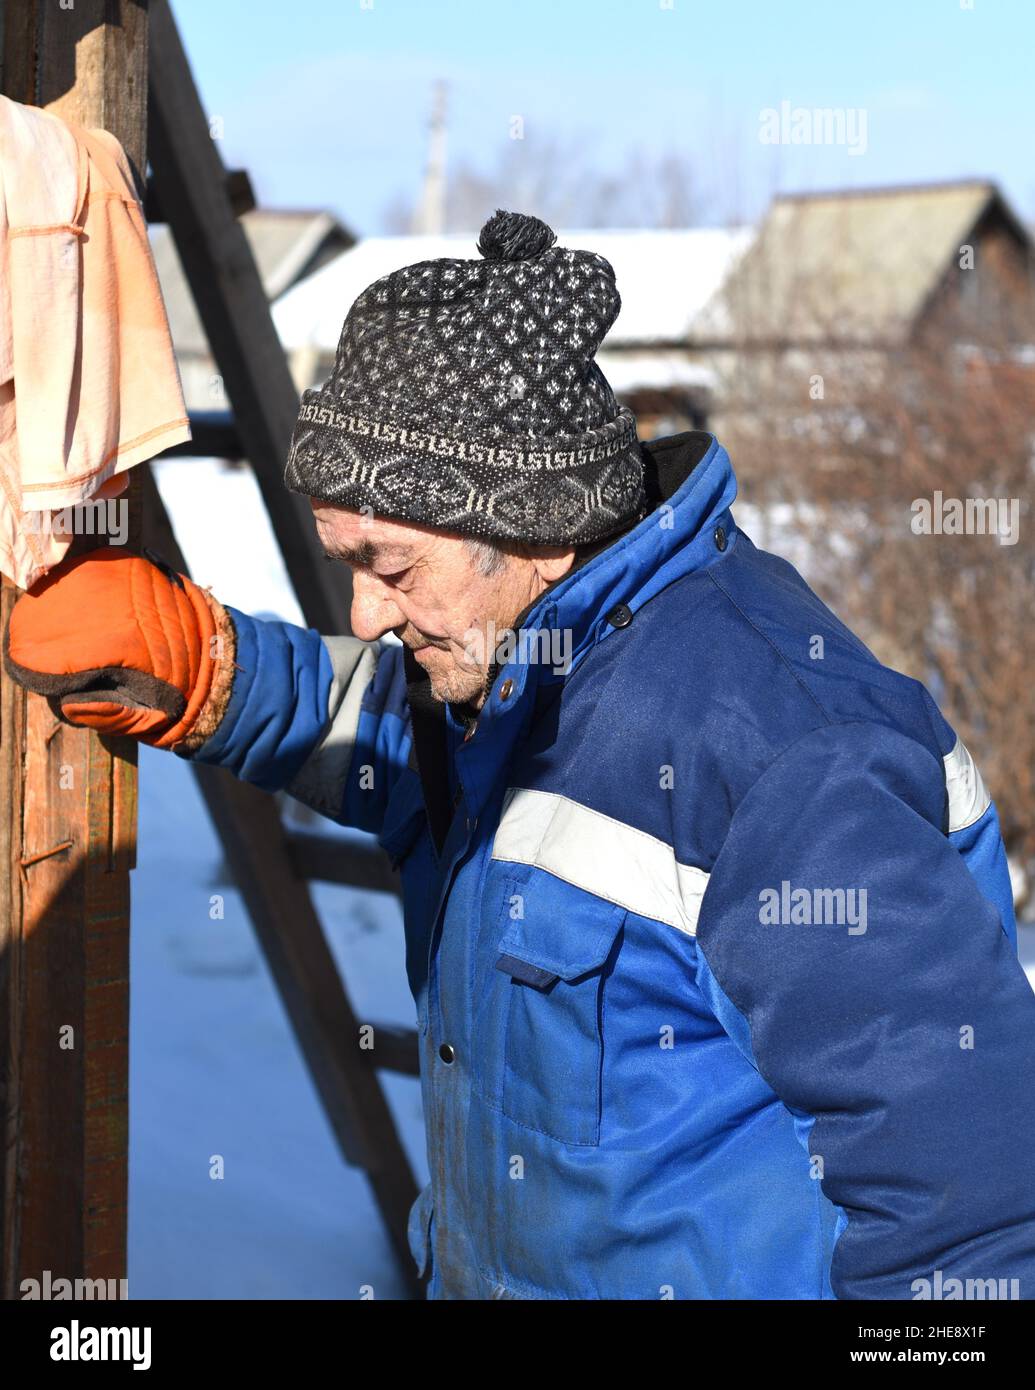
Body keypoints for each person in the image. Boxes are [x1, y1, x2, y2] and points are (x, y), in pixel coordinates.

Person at [6, 210, 1035, 1301]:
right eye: (344, 559)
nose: (365, 609)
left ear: (531, 525)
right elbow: (398, 738)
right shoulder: (512, 668)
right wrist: (209, 669)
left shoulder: (783, 754)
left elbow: (976, 1220)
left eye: (390, 564)